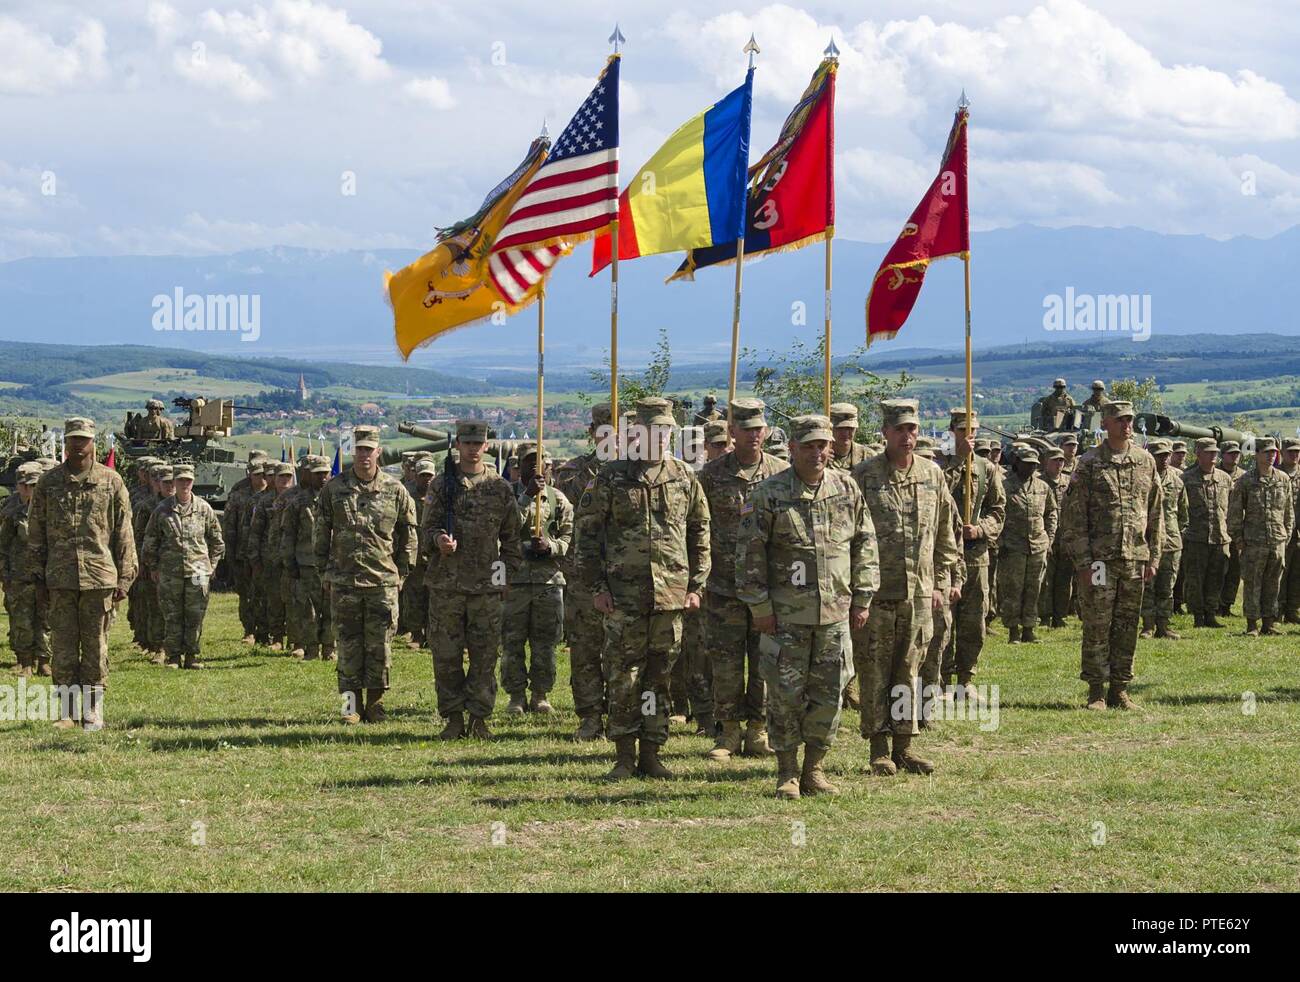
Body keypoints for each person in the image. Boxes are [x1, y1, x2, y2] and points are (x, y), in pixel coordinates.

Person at [736, 414, 878, 798]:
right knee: (784, 695)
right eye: (809, 445)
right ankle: (787, 772)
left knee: (829, 694)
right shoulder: (768, 493)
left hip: (834, 615)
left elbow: (865, 543)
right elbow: (749, 555)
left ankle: (815, 769)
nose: (817, 452)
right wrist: (759, 606)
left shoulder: (846, 489)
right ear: (793, 448)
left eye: (823, 446)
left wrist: (862, 597)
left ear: (832, 449)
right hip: (785, 617)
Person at [577, 398, 710, 780]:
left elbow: (700, 532)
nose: (662, 437)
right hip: (623, 597)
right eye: (655, 431)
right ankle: (623, 755)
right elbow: (587, 537)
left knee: (659, 678)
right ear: (638, 433)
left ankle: (652, 752)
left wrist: (696, 585)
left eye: (668, 431)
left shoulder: (684, 477)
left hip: (670, 597)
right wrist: (597, 587)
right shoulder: (611, 476)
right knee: (623, 677)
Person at [852, 399, 958, 776]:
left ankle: (904, 746)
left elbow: (946, 533)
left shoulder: (933, 475)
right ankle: (878, 749)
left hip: (919, 594)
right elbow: (849, 537)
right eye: (899, 429)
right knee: (875, 672)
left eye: (912, 429)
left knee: (909, 671)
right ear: (885, 433)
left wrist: (943, 583)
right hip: (877, 595)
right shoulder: (863, 476)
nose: (907, 436)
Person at [27, 417, 137, 730]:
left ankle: (92, 711)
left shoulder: (110, 481)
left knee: (95, 647)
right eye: (73, 439)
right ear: (66, 443)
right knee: (62, 647)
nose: (78, 445)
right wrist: (37, 575)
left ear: (93, 443)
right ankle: (66, 712)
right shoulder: (49, 483)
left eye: (84, 439)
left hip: (99, 577)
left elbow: (123, 533)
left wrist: (125, 577)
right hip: (59, 579)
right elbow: (36, 532)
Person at [697, 397, 788, 761]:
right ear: (732, 432)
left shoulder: (782, 474)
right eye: (746, 429)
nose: (753, 436)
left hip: (769, 588)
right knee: (726, 663)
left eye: (758, 429)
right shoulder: (712, 475)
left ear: (765, 431)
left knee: (766, 662)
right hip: (724, 586)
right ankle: (728, 732)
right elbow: (698, 528)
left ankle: (758, 730)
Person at [1059, 401, 1162, 711]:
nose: (1126, 425)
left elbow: (1155, 514)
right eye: (1119, 420)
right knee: (1097, 623)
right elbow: (1074, 518)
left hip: (1134, 557)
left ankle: (1120, 689)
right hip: (1100, 561)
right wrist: (1084, 563)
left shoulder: (1145, 462)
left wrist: (1153, 558)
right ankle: (1096, 692)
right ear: (1105, 423)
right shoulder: (1089, 463)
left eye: (1129, 420)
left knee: (1127, 624)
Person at [422, 420, 521, 739]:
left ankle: (479, 718)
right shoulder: (441, 485)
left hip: (485, 587)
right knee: (446, 656)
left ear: (487, 446)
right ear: (458, 445)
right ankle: (453, 718)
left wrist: (503, 578)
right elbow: (427, 530)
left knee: (484, 655)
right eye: (467, 443)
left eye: (478, 443)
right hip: (446, 585)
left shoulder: (499, 488)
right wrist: (439, 541)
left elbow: (511, 540)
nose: (473, 448)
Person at [316, 425, 418, 725]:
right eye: (359, 449)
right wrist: (324, 572)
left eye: (369, 450)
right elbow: (320, 533)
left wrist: (402, 572)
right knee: (347, 645)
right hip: (344, 580)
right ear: (353, 451)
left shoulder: (394, 490)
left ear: (378, 452)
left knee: (380, 646)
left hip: (382, 581)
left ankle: (376, 703)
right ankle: (350, 706)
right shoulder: (334, 489)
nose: (364, 455)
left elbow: (409, 533)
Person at [555, 405, 612, 741]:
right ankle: (590, 717)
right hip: (584, 577)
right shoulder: (573, 472)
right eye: (604, 431)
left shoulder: (636, 470)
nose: (610, 437)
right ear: (593, 432)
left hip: (626, 576)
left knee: (623, 653)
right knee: (586, 650)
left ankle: (622, 714)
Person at [502, 447, 573, 715]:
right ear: (519, 466)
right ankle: (516, 695)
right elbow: (505, 526)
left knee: (545, 643)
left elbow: (568, 536)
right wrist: (526, 496)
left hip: (548, 581)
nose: (534, 467)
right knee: (512, 641)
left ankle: (540, 694)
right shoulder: (508, 495)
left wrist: (551, 547)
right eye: (528, 462)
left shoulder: (558, 500)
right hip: (515, 580)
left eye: (538, 462)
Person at [942, 409, 1005, 700]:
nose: (970, 436)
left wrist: (980, 530)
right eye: (963, 430)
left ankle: (966, 677)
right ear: (952, 431)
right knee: (943, 619)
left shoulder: (985, 468)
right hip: (944, 554)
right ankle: (940, 677)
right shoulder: (938, 464)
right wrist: (957, 460)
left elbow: (998, 510)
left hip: (975, 553)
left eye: (974, 431)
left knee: (973, 620)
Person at [143, 464, 225, 669]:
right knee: (172, 614)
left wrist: (212, 566)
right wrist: (153, 567)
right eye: (180, 480)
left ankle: (192, 655)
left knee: (195, 615)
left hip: (198, 571)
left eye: (188, 480)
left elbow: (217, 541)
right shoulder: (162, 510)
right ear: (174, 483)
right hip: (170, 572)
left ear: (193, 482)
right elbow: (150, 540)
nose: (184, 484)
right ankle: (173, 656)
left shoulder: (204, 508)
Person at [1228, 437, 1294, 636]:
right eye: (1267, 452)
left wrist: (1286, 536)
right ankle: (1252, 625)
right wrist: (1238, 539)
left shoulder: (1283, 479)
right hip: (1253, 542)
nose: (1271, 455)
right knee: (1252, 583)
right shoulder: (1246, 480)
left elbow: (1288, 512)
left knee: (1273, 583)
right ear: (1257, 454)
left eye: (1273, 452)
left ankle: (1269, 623)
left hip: (1277, 541)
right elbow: (1235, 513)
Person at [998, 445, 1058, 644]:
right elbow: (997, 514)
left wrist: (1049, 537)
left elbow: (1051, 513)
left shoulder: (1043, 487)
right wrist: (1001, 541)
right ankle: (1013, 629)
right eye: (1027, 464)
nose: (1031, 468)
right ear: (1017, 463)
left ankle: (1029, 629)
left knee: (1034, 588)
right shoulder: (1005, 486)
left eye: (1034, 465)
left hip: (1038, 546)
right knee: (1013, 589)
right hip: (1013, 546)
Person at [280, 454, 335, 661]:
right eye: (317, 474)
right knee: (308, 609)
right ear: (309, 476)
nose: (322, 478)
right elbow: (288, 535)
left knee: (331, 608)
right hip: (307, 563)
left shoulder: (337, 499)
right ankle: (311, 648)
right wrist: (289, 563)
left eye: (325, 474)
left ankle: (329, 647)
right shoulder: (298, 502)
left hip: (331, 563)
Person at [0, 462, 51, 678]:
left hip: (47, 573)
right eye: (27, 485)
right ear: (20, 486)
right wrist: (4, 572)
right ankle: (25, 661)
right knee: (21, 618)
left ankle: (45, 660)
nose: (31, 490)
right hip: (19, 573)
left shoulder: (51, 507)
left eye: (35, 485)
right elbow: (3, 545)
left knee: (46, 619)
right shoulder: (11, 511)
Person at [1181, 437, 1233, 628]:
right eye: (1209, 452)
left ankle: (1211, 613)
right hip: (1196, 538)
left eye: (1215, 453)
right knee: (1195, 579)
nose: (1213, 456)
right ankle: (1198, 616)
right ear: (1198, 454)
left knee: (1216, 578)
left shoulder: (1225, 479)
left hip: (1219, 538)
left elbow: (1231, 509)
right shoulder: (1186, 478)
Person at [1139, 440, 1188, 639]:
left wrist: (1178, 532)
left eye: (1167, 455)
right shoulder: (1142, 479)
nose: (1165, 459)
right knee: (1147, 586)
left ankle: (1164, 625)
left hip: (1171, 542)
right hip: (1147, 541)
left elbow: (1184, 513)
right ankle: (1148, 626)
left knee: (1167, 586)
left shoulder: (1177, 481)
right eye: (1160, 455)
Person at [249, 461, 295, 651]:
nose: (284, 480)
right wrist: (254, 559)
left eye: (288, 477)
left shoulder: (298, 499)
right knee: (274, 600)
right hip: (271, 558)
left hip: (294, 559)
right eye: (281, 477)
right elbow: (255, 532)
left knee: (294, 600)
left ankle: (294, 638)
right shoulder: (265, 502)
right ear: (273, 479)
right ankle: (276, 637)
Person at [223, 452, 268, 644]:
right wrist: (231, 554)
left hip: (266, 552)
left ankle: (266, 631)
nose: (261, 478)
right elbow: (230, 525)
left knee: (266, 594)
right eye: (257, 474)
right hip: (243, 552)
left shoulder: (274, 493)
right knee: (247, 594)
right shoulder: (239, 493)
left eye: (263, 474)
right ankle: (249, 630)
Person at [239, 462, 274, 645]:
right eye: (262, 475)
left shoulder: (287, 497)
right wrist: (249, 557)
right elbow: (249, 531)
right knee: (256, 595)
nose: (264, 478)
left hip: (278, 557)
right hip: (259, 555)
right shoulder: (255, 501)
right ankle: (254, 631)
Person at [1038, 446, 1072, 627]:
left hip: (1066, 537)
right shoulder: (1039, 483)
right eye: (1055, 461)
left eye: (1061, 461)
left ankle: (1060, 616)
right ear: (1046, 463)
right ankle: (1044, 615)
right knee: (1046, 579)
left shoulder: (1069, 482)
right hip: (1045, 536)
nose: (1059, 464)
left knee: (1064, 579)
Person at [1217, 441, 1245, 616]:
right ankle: (1213, 604)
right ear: (1223, 455)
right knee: (1218, 569)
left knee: (1235, 569)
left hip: (1237, 528)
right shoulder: (1215, 473)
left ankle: (1227, 605)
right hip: (1217, 528)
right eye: (1230, 453)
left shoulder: (1244, 476)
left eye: (1237, 453)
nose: (1234, 456)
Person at [1280, 437, 1300, 623]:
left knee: (1296, 574)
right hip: (1280, 533)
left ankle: (1292, 611)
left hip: (1299, 534)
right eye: (1291, 451)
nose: (1295, 455)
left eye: (1297, 451)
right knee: (1279, 574)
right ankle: (1277, 612)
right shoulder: (1275, 474)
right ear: (1282, 452)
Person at [827, 403, 871, 473]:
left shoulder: (868, 457)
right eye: (840, 428)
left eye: (850, 428)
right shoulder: (819, 458)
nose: (845, 433)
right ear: (829, 428)